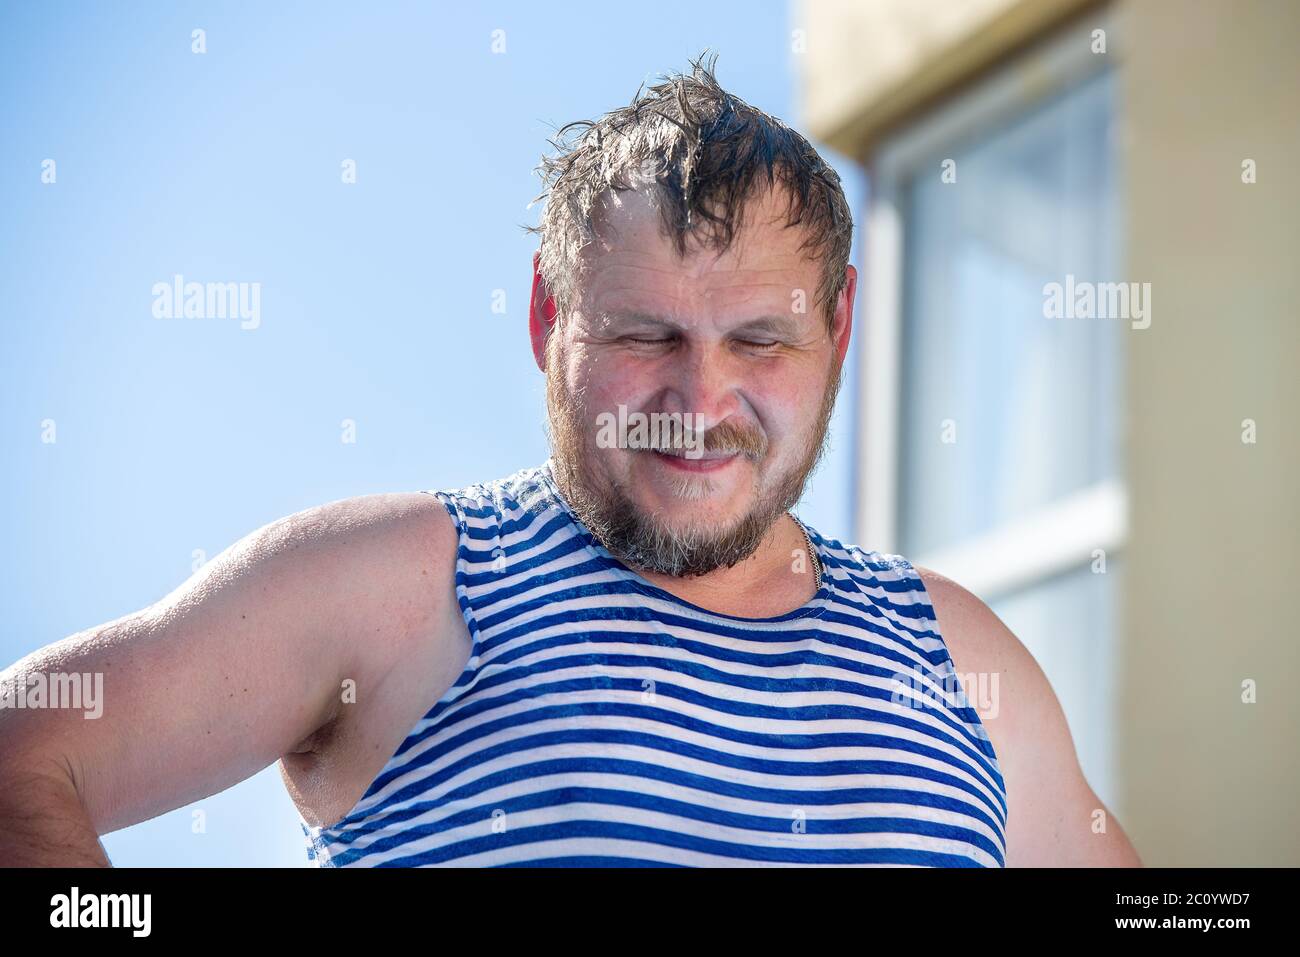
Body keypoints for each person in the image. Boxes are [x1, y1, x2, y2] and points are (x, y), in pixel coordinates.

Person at [0, 53, 1140, 868]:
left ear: (838, 332)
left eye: (758, 342)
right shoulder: (399, 584)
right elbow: (23, 754)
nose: (699, 403)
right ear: (551, 318)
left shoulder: (960, 659)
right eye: (647, 336)